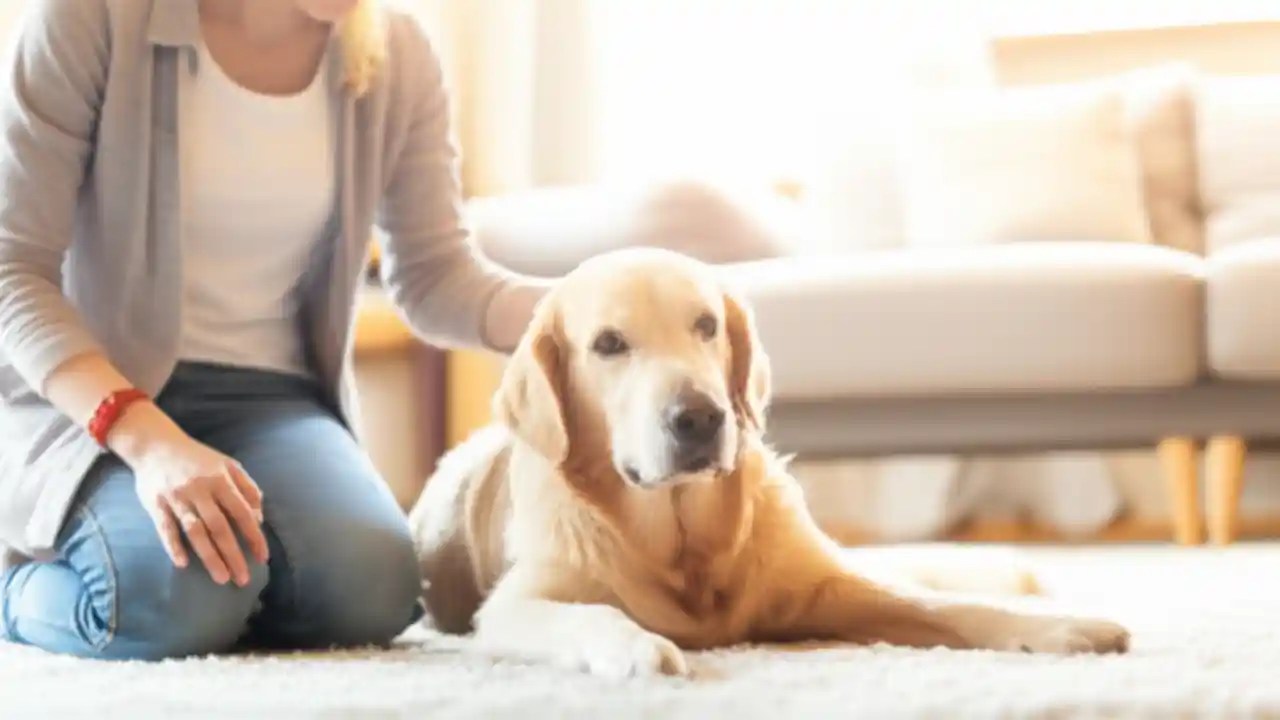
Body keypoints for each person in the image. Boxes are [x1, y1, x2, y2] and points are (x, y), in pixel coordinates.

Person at [0, 0, 547, 660]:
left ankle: (218, 598)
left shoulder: (397, 53)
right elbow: (12, 270)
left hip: (270, 399)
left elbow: (438, 278)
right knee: (173, 600)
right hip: (96, 402)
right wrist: (149, 441)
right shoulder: (89, 18)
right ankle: (19, 587)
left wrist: (595, 306)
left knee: (371, 591)